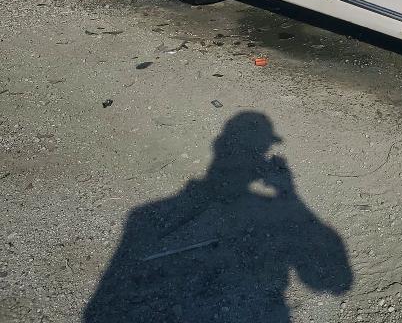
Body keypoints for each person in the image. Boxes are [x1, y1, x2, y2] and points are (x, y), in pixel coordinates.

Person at [84, 112, 352, 322]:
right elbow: (334, 283)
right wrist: (291, 195)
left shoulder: (142, 214)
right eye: (263, 148)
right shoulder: (143, 215)